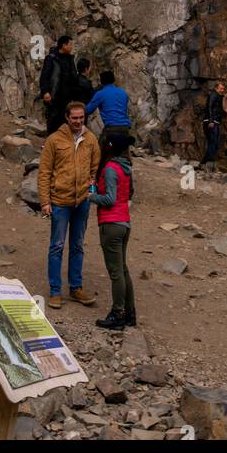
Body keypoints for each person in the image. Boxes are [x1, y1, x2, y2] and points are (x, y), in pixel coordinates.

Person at [37, 99, 100, 310]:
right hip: (60, 201)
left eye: (81, 118)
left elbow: (94, 169)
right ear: (67, 117)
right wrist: (45, 201)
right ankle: (55, 291)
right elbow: (44, 172)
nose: (78, 121)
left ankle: (76, 288)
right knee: (57, 246)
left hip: (82, 201)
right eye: (74, 118)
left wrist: (91, 192)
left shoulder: (90, 139)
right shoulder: (54, 140)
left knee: (77, 245)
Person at [89, 131, 136, 331]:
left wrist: (90, 196)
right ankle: (130, 313)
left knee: (116, 272)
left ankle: (117, 315)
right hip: (124, 222)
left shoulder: (110, 168)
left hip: (111, 224)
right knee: (123, 270)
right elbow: (126, 194)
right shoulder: (126, 168)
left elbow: (109, 199)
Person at [39, 35, 78, 135]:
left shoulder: (70, 60)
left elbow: (74, 78)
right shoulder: (51, 58)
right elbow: (45, 76)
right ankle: (50, 147)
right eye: (70, 45)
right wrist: (45, 92)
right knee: (53, 123)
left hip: (68, 99)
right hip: (54, 97)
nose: (71, 47)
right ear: (64, 45)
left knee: (66, 124)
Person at [86, 69, 131, 144]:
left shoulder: (100, 94)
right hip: (125, 128)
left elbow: (88, 110)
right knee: (123, 153)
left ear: (101, 81)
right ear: (114, 80)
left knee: (99, 152)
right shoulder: (123, 92)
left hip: (111, 129)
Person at [202, 81, 227, 169]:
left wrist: (225, 113)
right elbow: (209, 107)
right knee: (213, 141)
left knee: (214, 142)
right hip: (210, 122)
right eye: (221, 88)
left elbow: (218, 109)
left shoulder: (219, 96)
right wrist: (211, 121)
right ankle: (209, 161)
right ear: (216, 88)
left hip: (215, 122)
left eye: (223, 89)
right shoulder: (213, 95)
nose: (222, 90)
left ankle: (204, 162)